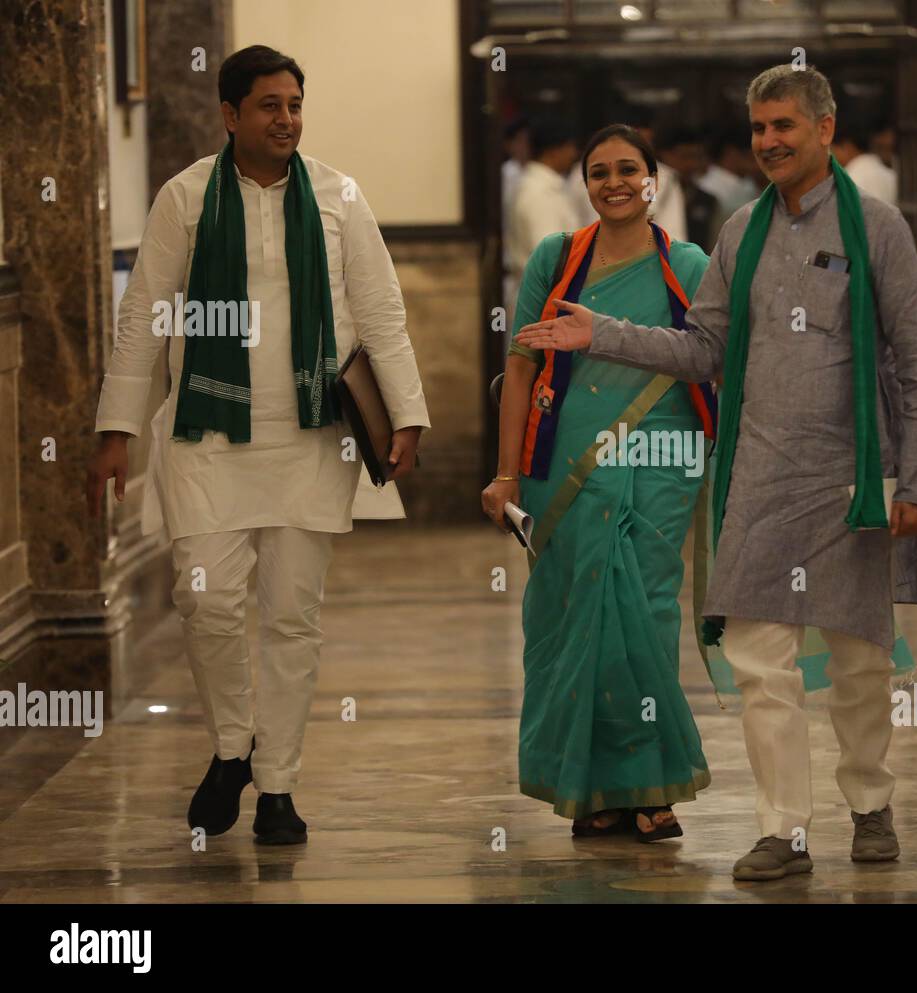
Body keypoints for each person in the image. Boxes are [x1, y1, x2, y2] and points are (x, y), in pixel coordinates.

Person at [518, 65, 917, 881]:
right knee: (759, 661)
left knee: (859, 659)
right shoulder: (742, 230)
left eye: (784, 126)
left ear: (825, 128)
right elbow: (703, 349)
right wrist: (601, 334)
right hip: (756, 476)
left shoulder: (878, 228)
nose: (769, 142)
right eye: (758, 129)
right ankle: (782, 827)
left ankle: (870, 802)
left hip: (855, 476)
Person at [86, 45, 430, 845]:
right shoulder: (187, 198)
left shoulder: (341, 197)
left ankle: (276, 783)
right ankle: (231, 745)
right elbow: (145, 317)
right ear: (230, 115)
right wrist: (116, 428)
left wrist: (405, 411)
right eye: (270, 106)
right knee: (205, 602)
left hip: (312, 438)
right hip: (207, 434)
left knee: (290, 616)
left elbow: (381, 310)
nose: (286, 119)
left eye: (296, 105)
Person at [482, 123, 714, 841]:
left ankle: (649, 781)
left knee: (642, 614)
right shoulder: (557, 259)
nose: (613, 182)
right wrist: (504, 471)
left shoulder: (692, 265)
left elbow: (711, 360)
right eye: (599, 171)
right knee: (573, 618)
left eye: (628, 170)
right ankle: (593, 789)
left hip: (662, 461)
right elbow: (520, 364)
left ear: (654, 180)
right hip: (566, 466)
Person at [566, 108, 689, 243]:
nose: (614, 184)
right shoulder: (580, 173)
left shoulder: (664, 178)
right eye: (599, 174)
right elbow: (570, 221)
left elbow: (673, 231)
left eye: (628, 170)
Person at [504, 120, 582, 330]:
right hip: (543, 301)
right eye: (571, 148)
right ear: (555, 150)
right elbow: (550, 257)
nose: (574, 154)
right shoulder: (539, 192)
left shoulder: (545, 186)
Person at [658, 125, 723, 251]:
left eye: (696, 157)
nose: (691, 164)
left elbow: (715, 248)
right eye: (684, 156)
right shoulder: (652, 197)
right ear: (664, 155)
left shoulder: (708, 200)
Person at [698, 124, 761, 218]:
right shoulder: (709, 188)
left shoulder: (750, 184)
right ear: (731, 153)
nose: (759, 162)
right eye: (753, 156)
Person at [831, 123, 897, 205]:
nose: (830, 156)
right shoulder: (891, 175)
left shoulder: (847, 181)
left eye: (832, 150)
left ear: (847, 147)